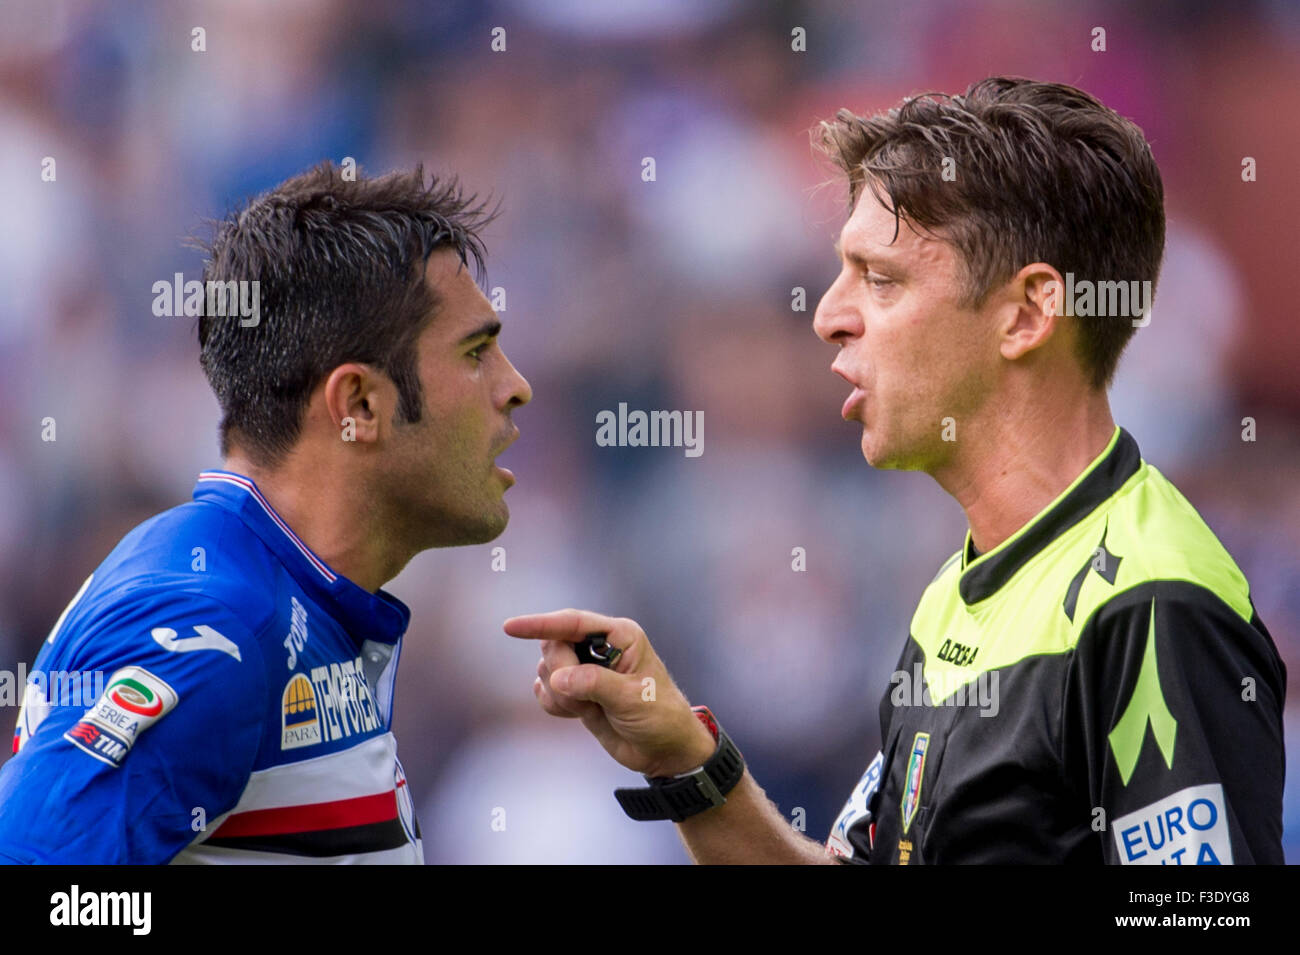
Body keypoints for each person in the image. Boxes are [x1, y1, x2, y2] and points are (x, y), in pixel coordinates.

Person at [505, 77, 1286, 865]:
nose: (828, 316)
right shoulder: (955, 592)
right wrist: (685, 756)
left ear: (1026, 314)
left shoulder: (1150, 605)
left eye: (880, 279)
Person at [0, 163, 532, 863]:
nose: (515, 386)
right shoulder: (214, 624)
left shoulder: (296, 596)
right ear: (360, 406)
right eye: (476, 352)